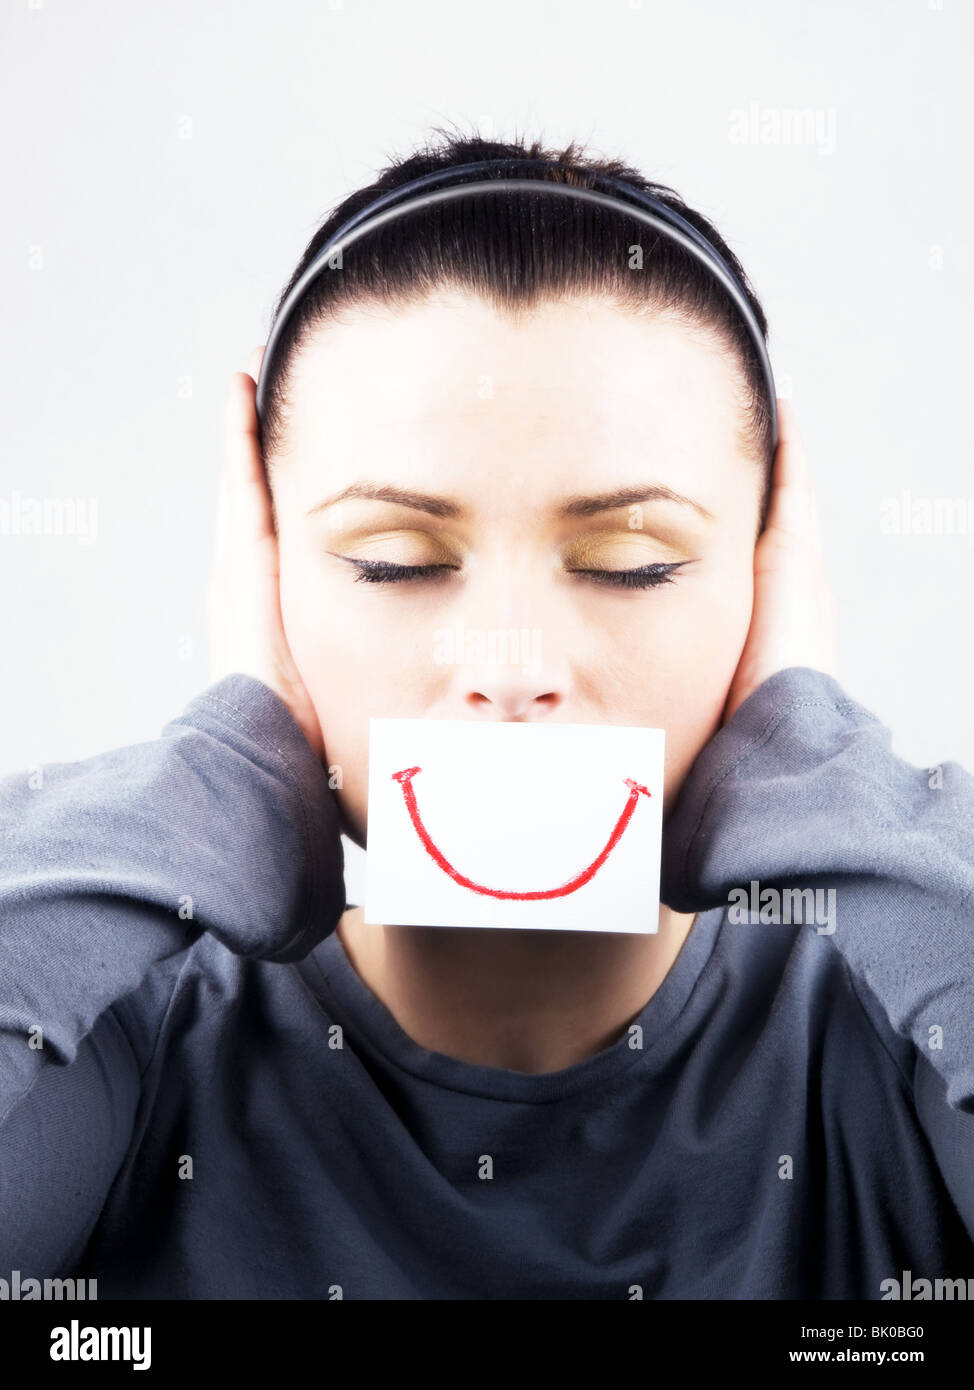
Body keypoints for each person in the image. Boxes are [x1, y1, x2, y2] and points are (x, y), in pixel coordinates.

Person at [2, 132, 973, 1300]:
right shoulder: (118, 1045)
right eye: (394, 559)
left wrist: (821, 774)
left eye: (629, 561)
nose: (509, 665)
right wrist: (208, 777)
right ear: (260, 572)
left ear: (770, 571)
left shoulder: (905, 1037)